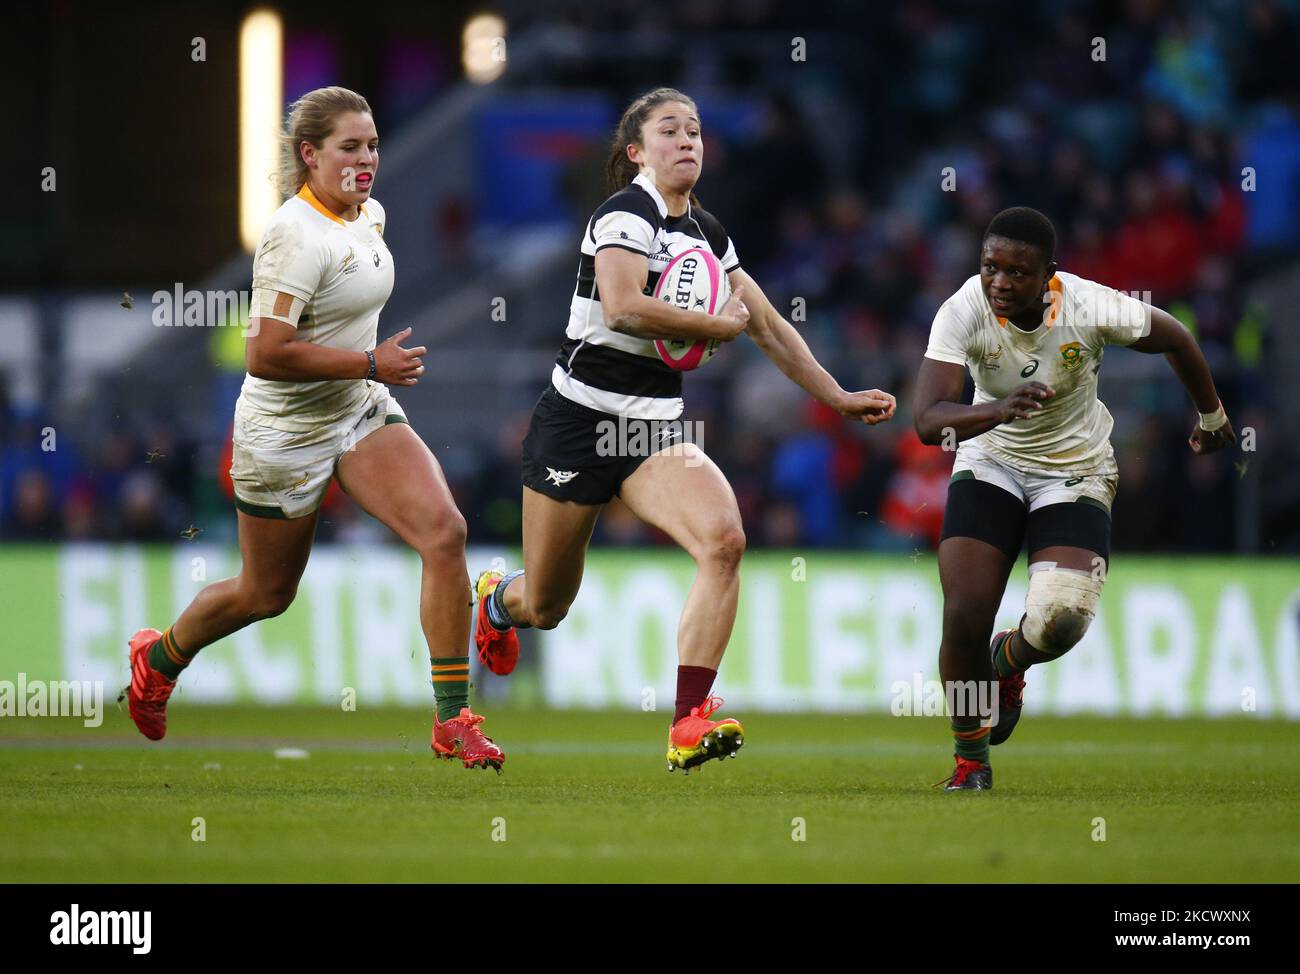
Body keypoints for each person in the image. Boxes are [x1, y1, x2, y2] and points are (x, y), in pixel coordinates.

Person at [471, 87, 897, 773]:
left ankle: (688, 720)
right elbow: (622, 307)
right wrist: (713, 326)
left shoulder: (707, 234)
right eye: (670, 131)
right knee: (546, 605)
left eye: (695, 130)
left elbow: (765, 324)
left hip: (651, 434)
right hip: (577, 425)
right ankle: (497, 601)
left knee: (725, 540)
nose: (688, 140)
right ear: (637, 151)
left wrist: (838, 395)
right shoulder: (623, 214)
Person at [125, 86, 504, 771]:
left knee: (445, 533)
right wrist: (370, 360)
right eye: (350, 148)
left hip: (356, 408)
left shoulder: (370, 215)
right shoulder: (292, 236)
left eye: (374, 146)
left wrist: (365, 371)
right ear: (310, 155)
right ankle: (157, 658)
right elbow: (263, 354)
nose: (367, 160)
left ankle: (454, 720)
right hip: (283, 433)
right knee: (265, 594)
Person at [914, 206, 1236, 791]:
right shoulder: (963, 308)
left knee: (1060, 624)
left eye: (1017, 272)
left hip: (1074, 471)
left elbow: (1178, 338)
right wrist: (996, 410)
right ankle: (970, 763)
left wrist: (1212, 415)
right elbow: (928, 421)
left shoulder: (1090, 306)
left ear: (1050, 277)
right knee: (962, 614)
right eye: (991, 267)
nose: (1000, 283)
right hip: (991, 460)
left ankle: (1007, 661)